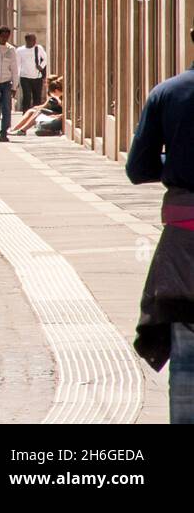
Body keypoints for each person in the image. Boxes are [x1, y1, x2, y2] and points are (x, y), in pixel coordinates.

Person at [127, 23, 194, 423]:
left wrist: (177, 163)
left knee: (185, 356)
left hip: (184, 241)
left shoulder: (167, 93)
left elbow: (138, 169)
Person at [16, 34, 48, 112]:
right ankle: (25, 113)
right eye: (32, 40)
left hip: (37, 77)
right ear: (26, 40)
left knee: (37, 97)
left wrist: (41, 66)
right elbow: (18, 64)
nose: (34, 42)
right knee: (27, 97)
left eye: (34, 40)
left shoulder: (38, 48)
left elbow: (45, 58)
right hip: (24, 77)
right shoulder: (20, 50)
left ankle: (36, 115)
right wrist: (17, 78)